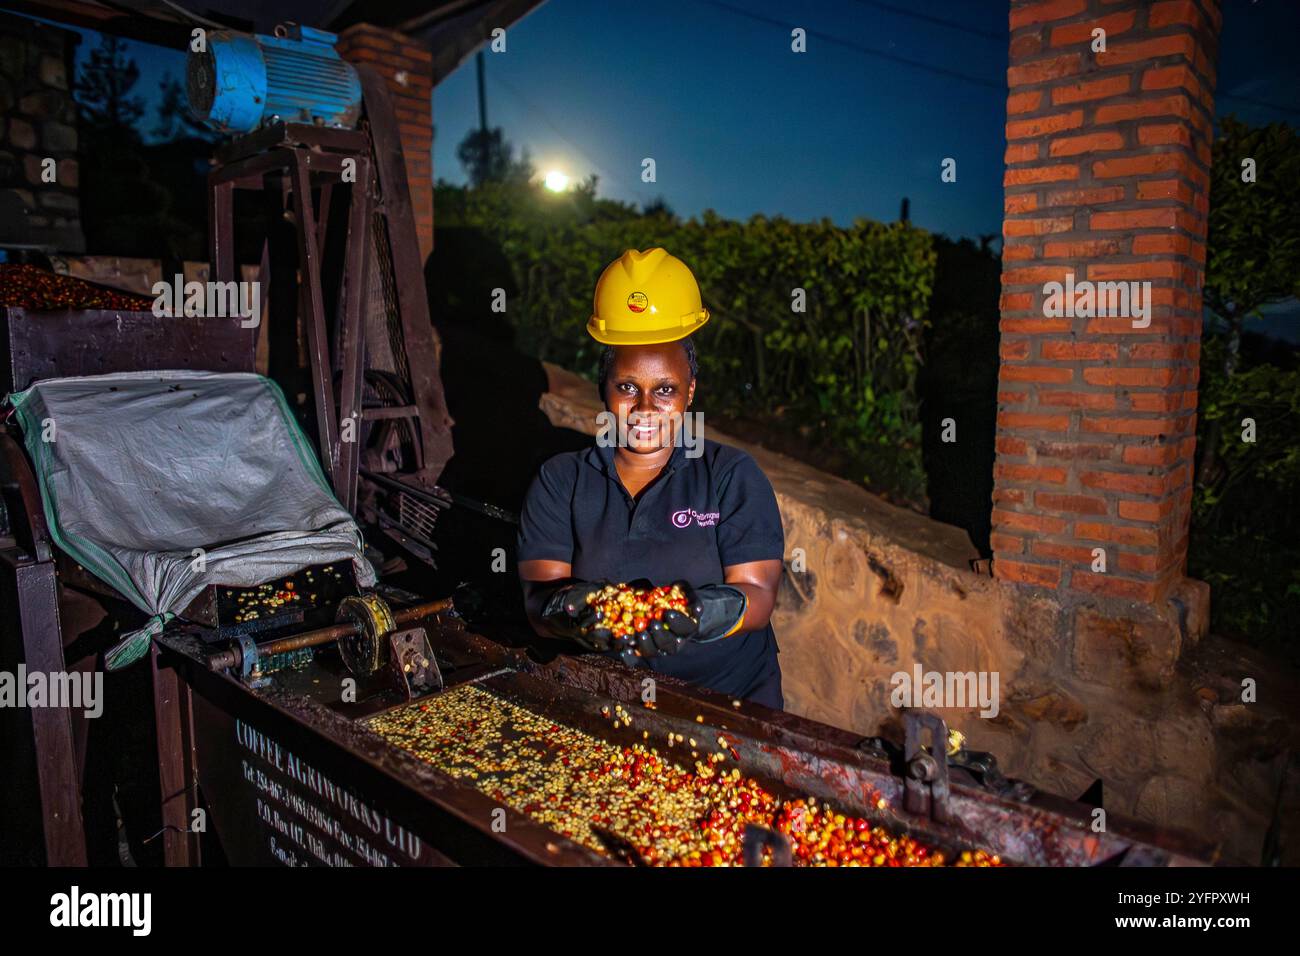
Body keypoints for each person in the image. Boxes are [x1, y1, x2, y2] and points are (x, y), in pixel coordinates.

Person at [516, 248, 786, 708]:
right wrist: (580, 611)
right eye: (627, 388)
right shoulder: (561, 481)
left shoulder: (729, 475)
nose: (644, 409)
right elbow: (539, 603)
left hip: (729, 704)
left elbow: (757, 596)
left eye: (665, 390)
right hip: (607, 701)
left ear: (690, 391)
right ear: (604, 386)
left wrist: (691, 613)